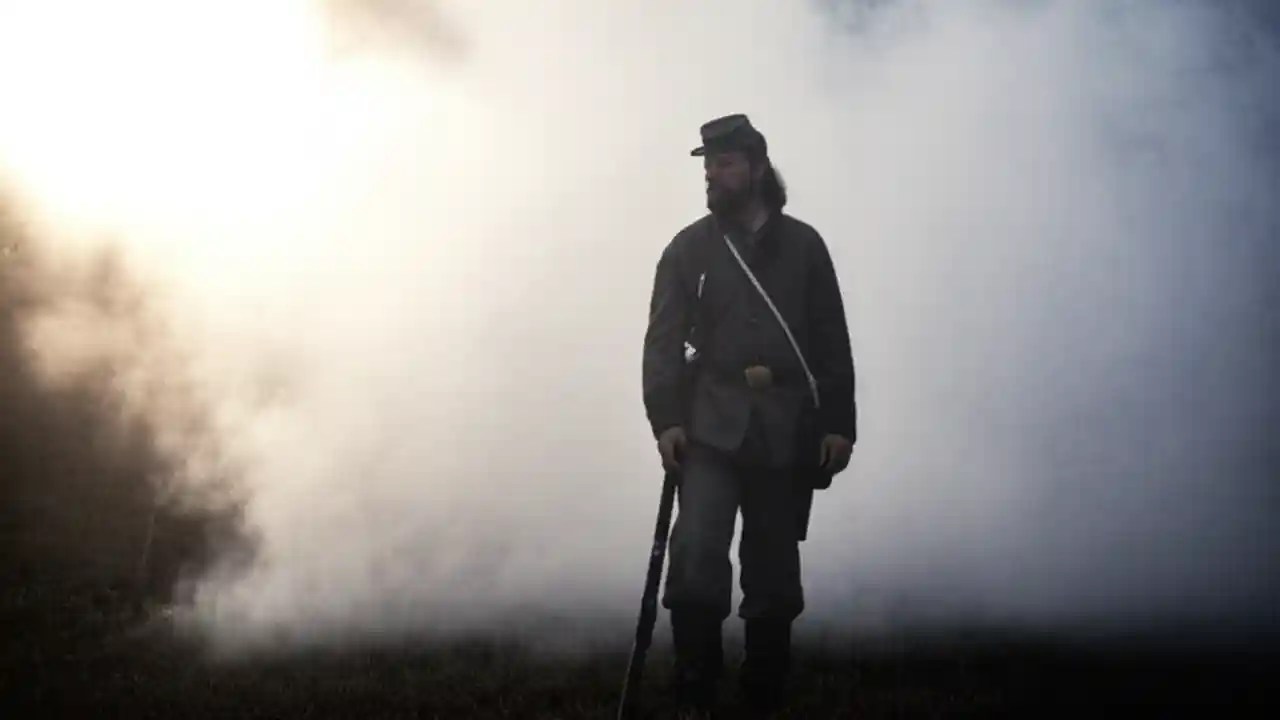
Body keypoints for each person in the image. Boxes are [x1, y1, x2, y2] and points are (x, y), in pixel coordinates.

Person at [641, 114, 857, 715]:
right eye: (708, 164)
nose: (712, 173)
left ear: (758, 167)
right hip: (710, 426)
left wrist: (839, 424)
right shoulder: (688, 249)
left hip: (785, 428)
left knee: (773, 567)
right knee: (696, 554)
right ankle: (696, 684)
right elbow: (661, 345)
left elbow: (830, 340)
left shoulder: (806, 246)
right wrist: (666, 421)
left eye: (725, 162)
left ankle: (764, 685)